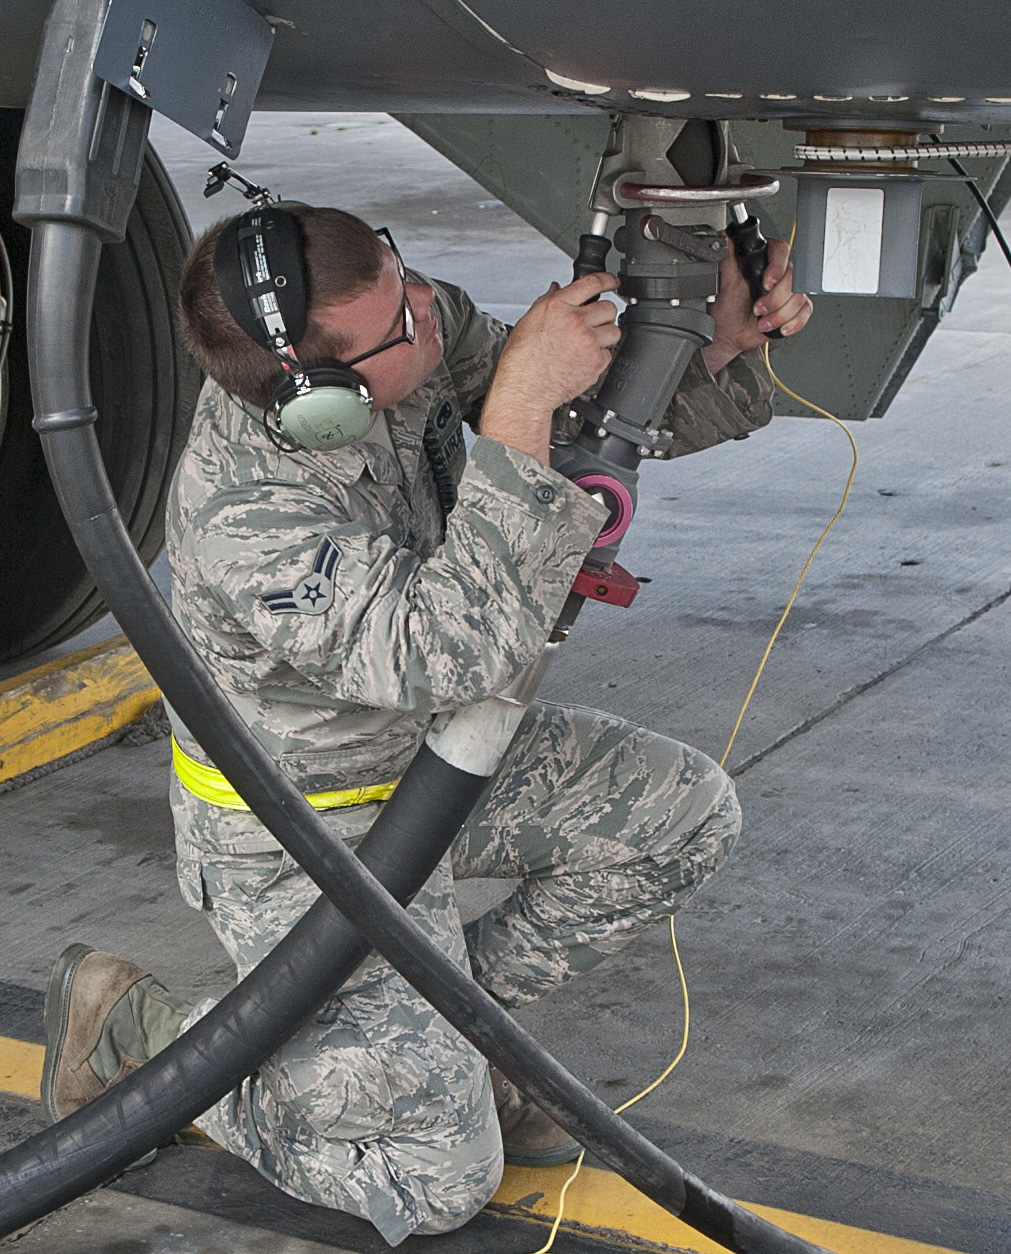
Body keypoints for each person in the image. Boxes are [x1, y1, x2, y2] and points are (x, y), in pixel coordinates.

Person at [41, 204, 812, 1245]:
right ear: (320, 400)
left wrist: (713, 344)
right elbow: (451, 650)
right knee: (438, 1181)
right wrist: (523, 401)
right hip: (306, 840)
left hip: (444, 764)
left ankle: (441, 1045)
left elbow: (588, 432)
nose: (428, 314)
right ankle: (157, 1040)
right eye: (397, 323)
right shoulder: (249, 515)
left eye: (406, 281)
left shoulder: (413, 324)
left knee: (683, 816)